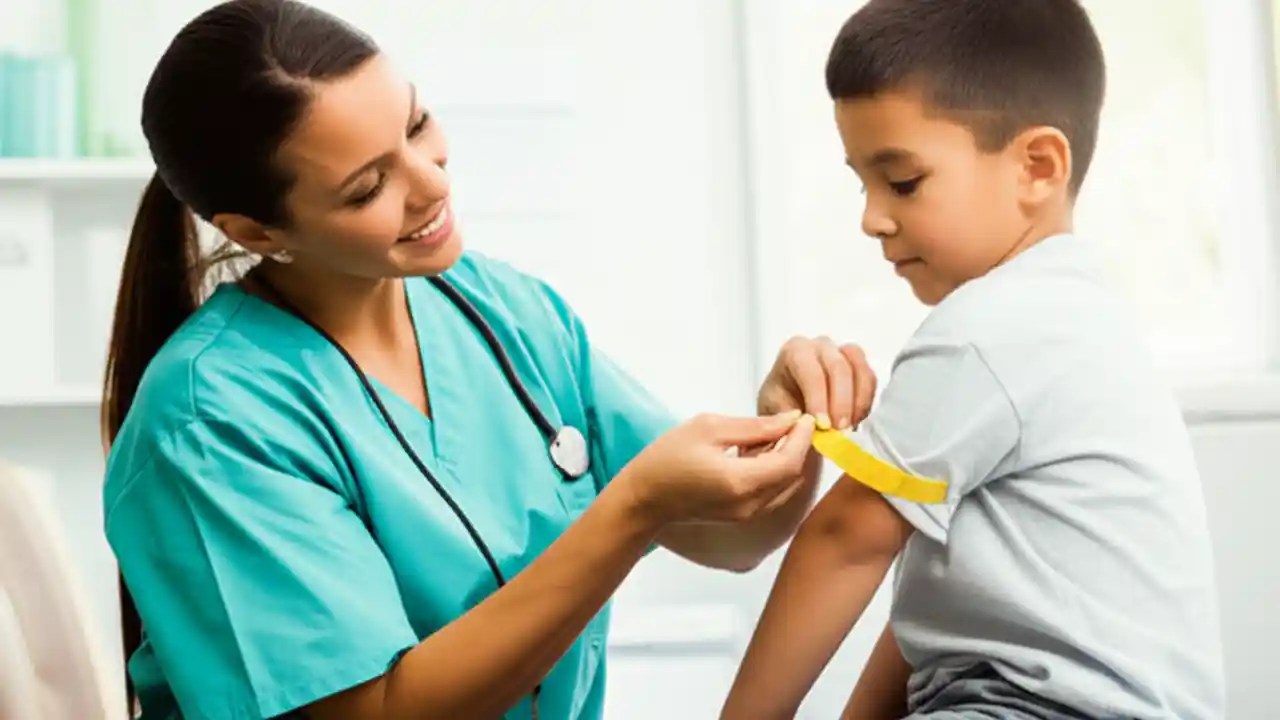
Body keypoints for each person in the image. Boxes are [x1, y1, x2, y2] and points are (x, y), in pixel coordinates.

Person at [99, 1, 876, 719]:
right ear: (260, 231)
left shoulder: (499, 308)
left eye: (416, 125)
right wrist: (631, 509)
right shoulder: (210, 421)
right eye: (369, 186)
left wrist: (786, 431)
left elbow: (725, 537)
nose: (432, 182)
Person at [721, 1, 1225, 719]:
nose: (870, 217)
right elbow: (935, 614)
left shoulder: (987, 331)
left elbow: (846, 541)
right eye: (860, 182)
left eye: (901, 182)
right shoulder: (1077, 320)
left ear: (1037, 167)